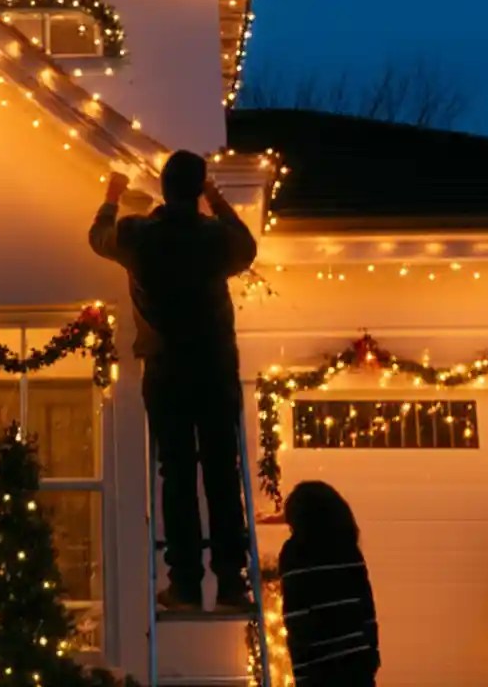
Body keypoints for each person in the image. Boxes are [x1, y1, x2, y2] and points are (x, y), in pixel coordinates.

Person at [88, 150, 258, 611]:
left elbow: (98, 237)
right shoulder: (215, 239)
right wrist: (217, 199)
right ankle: (231, 584)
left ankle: (184, 584)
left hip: (167, 371)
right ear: (197, 188)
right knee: (222, 473)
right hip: (216, 368)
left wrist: (112, 196)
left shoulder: (140, 236)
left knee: (178, 474)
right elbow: (247, 246)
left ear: (163, 189)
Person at [280, 481, 380, 687]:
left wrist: (301, 672)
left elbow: (296, 617)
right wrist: (371, 654)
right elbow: (367, 609)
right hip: (357, 664)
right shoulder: (349, 550)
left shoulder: (295, 553)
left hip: (319, 668)